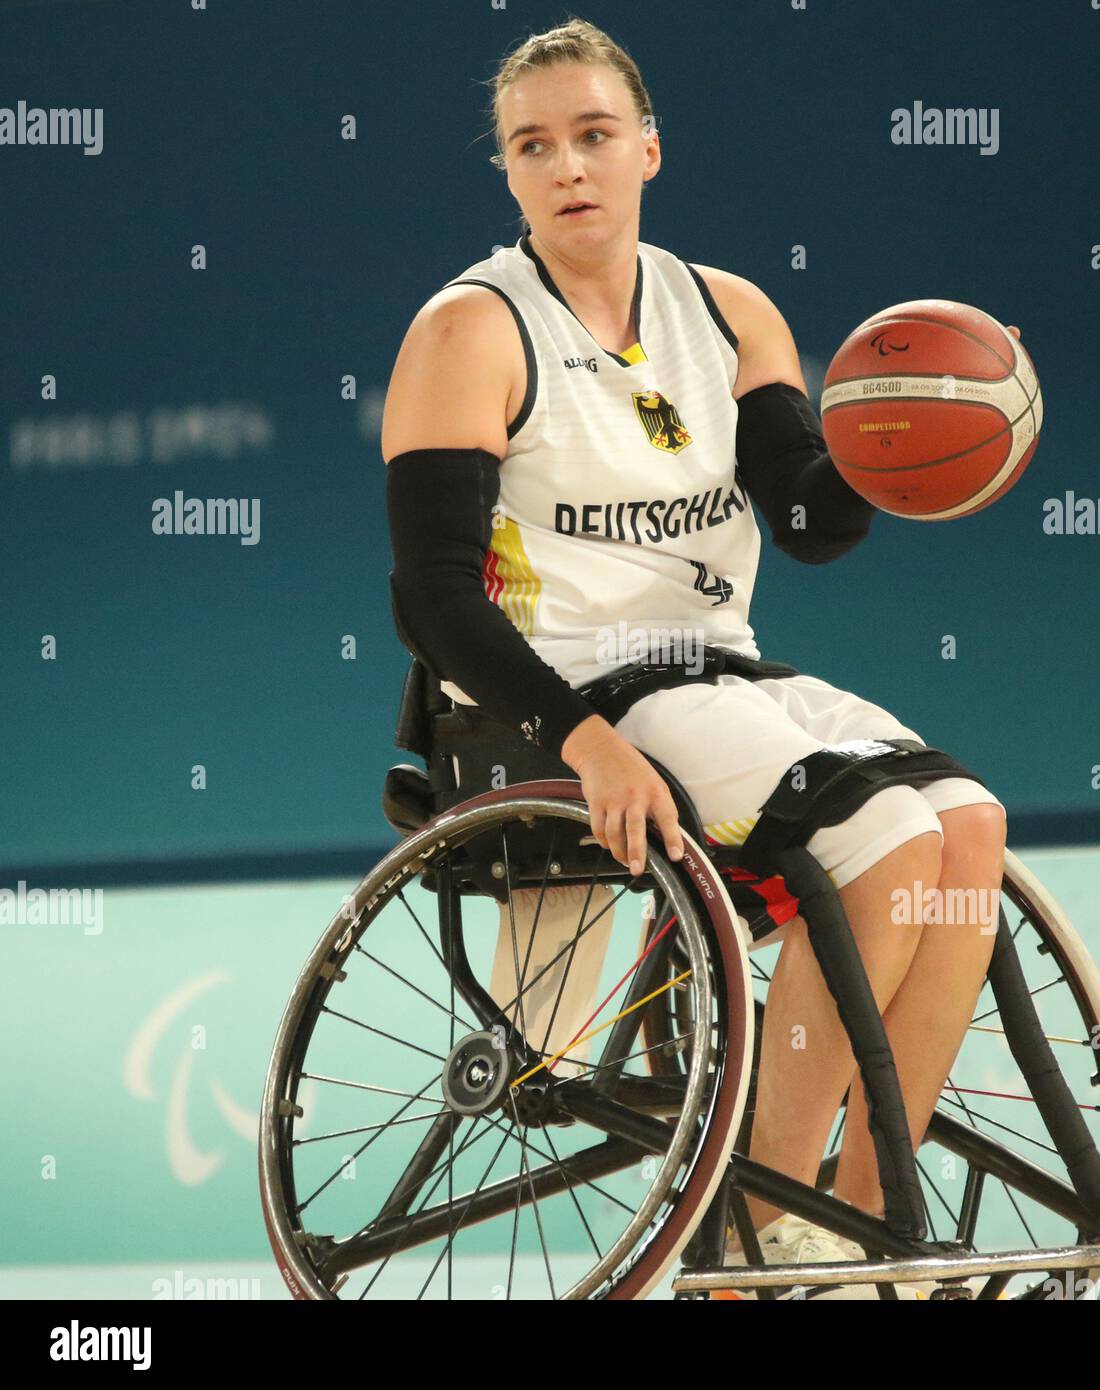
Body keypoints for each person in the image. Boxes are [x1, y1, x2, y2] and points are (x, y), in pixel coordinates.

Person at [383, 17, 1010, 1299]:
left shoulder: (727, 313)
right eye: (534, 146)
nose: (568, 165)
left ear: (648, 151)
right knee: (883, 842)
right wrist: (586, 739)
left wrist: (889, 465)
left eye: (594, 136)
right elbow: (434, 599)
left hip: (721, 669)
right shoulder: (470, 330)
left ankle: (872, 1218)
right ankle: (762, 1217)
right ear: (508, 173)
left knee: (965, 824)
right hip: (563, 696)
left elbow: (805, 519)